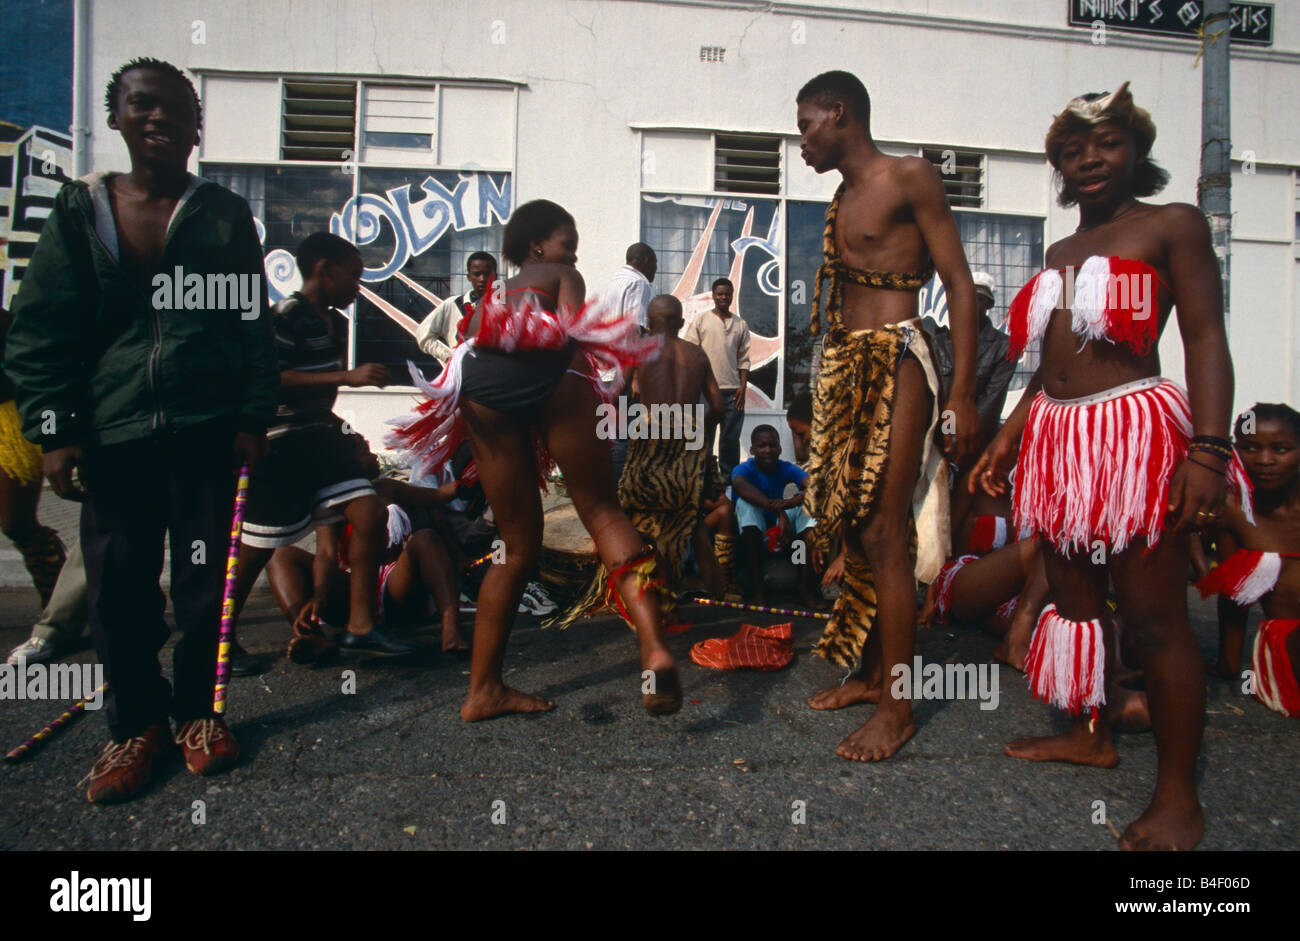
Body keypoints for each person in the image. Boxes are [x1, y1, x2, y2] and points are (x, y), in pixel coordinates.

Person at [971, 83, 1252, 850]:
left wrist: (1209, 448)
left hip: (1134, 436)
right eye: (1072, 149)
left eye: (1107, 144)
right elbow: (1054, 363)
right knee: (1075, 601)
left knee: (1157, 620)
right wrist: (1012, 431)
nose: (1089, 158)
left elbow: (1204, 339)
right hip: (1060, 441)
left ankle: (1177, 795)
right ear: (1058, 167)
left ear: (1137, 154)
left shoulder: (1170, 226)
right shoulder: (1061, 251)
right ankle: (1091, 733)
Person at [3, 58, 278, 802]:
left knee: (203, 586)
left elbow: (250, 320)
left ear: (197, 126)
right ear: (118, 116)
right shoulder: (79, 209)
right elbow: (41, 329)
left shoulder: (223, 214)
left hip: (206, 434)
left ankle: (197, 715)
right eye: (141, 104)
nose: (158, 118)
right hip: (113, 436)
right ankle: (134, 725)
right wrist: (54, 430)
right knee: (119, 590)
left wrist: (254, 414)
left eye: (175, 108)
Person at [388, 199, 682, 718]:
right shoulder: (559, 272)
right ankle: (653, 647)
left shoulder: (492, 293)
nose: (573, 254)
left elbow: (472, 341)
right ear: (537, 246)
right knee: (602, 512)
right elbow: (569, 326)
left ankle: (482, 690)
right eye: (568, 243)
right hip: (556, 377)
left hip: (481, 386)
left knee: (516, 544)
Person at [795, 70, 980, 762]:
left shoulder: (911, 177)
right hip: (846, 366)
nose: (802, 141)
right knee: (853, 524)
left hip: (900, 359)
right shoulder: (842, 199)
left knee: (885, 528)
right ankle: (873, 676)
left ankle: (898, 706)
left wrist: (962, 391)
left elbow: (959, 282)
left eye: (806, 125)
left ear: (839, 113)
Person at [228, 232, 412, 661]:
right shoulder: (287, 315)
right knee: (258, 547)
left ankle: (361, 626)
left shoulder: (327, 321)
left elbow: (315, 397)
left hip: (318, 436)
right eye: (353, 275)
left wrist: (342, 429)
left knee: (370, 511)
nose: (357, 286)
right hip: (284, 441)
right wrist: (345, 377)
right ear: (324, 269)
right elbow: (269, 380)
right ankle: (215, 639)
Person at [548, 294, 725, 627]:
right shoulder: (698, 354)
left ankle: (648, 603)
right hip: (687, 441)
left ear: (649, 323)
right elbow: (718, 406)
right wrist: (701, 436)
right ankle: (719, 597)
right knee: (685, 519)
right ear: (682, 323)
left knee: (635, 522)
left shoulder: (638, 353)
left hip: (650, 443)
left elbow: (613, 395)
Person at [267, 439, 468, 659]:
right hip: (352, 590)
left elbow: (439, 495)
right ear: (347, 465)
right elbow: (326, 552)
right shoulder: (332, 501)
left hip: (396, 587)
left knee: (425, 538)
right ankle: (312, 636)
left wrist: (472, 476)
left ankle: (451, 628)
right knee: (280, 555)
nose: (374, 456)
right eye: (365, 453)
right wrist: (320, 593)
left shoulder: (388, 487)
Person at [1199, 404, 1300, 717]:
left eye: (1281, 449)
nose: (1265, 461)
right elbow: (1234, 595)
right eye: (1250, 448)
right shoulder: (1232, 509)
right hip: (1287, 648)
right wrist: (1229, 665)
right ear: (1234, 449)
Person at [0, 303, 67, 614]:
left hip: (8, 419)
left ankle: (57, 611)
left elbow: (35, 360)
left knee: (15, 523)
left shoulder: (8, 323)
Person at [922, 271, 1016, 455]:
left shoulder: (1003, 348)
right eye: (964, 298)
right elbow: (941, 398)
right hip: (940, 442)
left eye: (978, 299)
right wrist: (947, 437)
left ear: (989, 305)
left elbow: (989, 407)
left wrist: (955, 443)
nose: (970, 304)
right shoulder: (939, 341)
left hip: (973, 445)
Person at [731, 425, 819, 608]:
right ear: (752, 449)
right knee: (745, 505)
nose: (768, 450)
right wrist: (778, 511)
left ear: (779, 449)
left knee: (808, 509)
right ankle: (758, 589)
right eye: (762, 446)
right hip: (756, 534)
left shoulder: (786, 467)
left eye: (773, 445)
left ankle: (802, 588)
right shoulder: (743, 469)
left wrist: (791, 503)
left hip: (783, 532)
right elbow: (740, 486)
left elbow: (813, 485)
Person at [683, 277, 749, 480]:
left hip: (733, 392)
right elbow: (690, 353)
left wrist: (743, 387)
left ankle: (729, 482)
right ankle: (703, 481)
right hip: (706, 392)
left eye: (727, 294)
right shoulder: (701, 320)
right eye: (719, 294)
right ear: (713, 296)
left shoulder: (741, 324)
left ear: (732, 295)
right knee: (704, 439)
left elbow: (744, 359)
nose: (723, 297)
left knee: (730, 440)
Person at [415, 251, 497, 365]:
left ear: (495, 276)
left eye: (487, 274)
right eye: (477, 274)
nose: (482, 279)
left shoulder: (508, 307)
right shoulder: (453, 305)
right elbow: (423, 335)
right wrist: (448, 357)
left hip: (494, 376)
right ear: (469, 277)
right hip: (461, 378)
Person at [600, 243, 657, 332]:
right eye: (655, 263)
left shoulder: (615, 281)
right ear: (646, 261)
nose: (656, 269)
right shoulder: (638, 283)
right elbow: (635, 328)